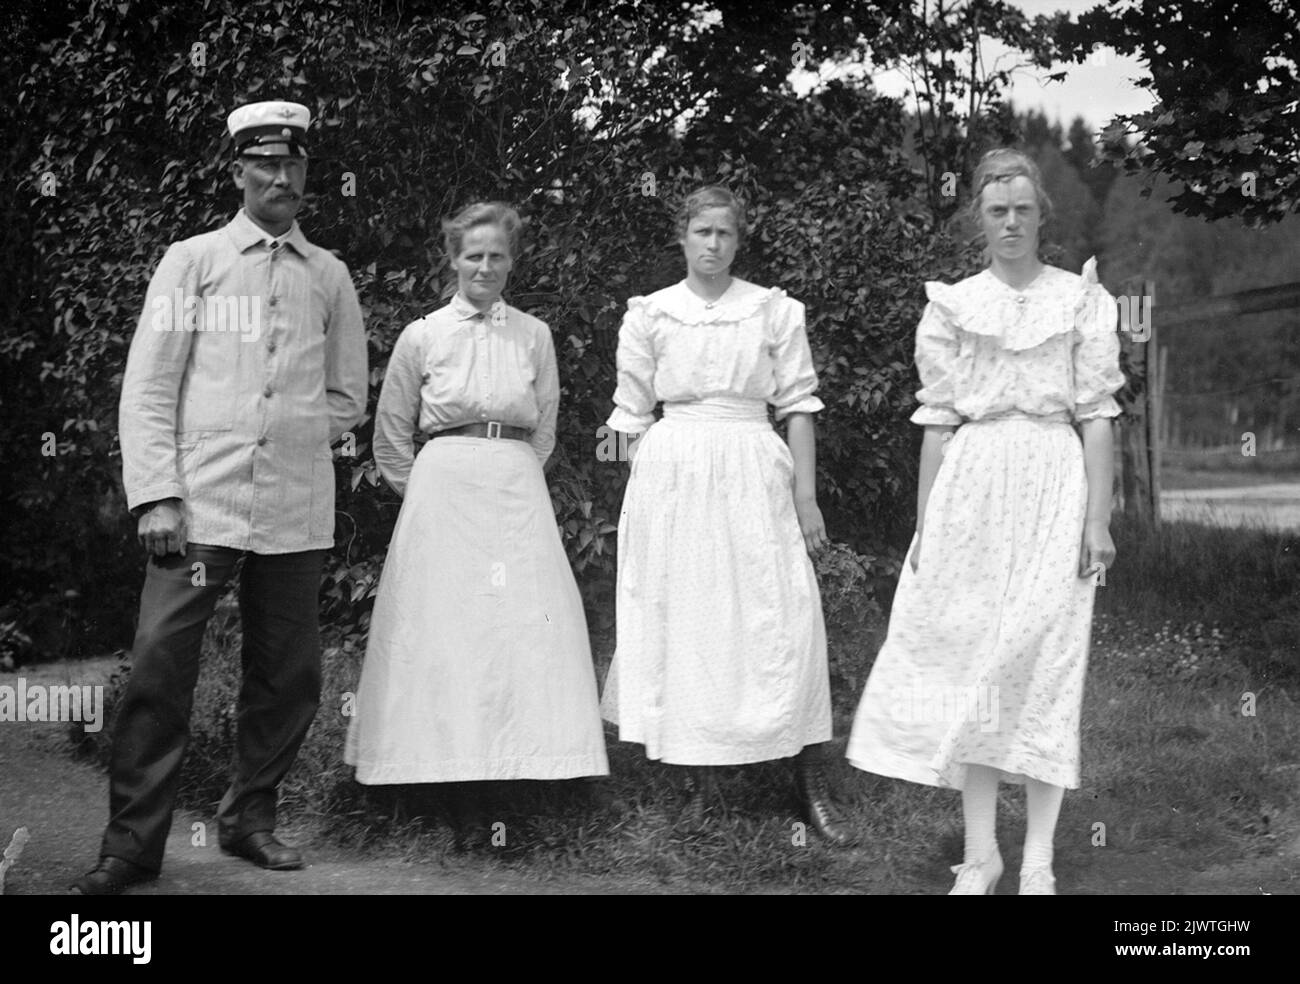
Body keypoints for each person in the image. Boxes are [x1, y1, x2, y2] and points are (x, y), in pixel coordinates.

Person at [73, 101, 369, 894]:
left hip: (293, 512)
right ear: (238, 172)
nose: (281, 178)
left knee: (289, 676)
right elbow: (149, 386)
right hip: (199, 509)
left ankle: (250, 820)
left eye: (294, 165)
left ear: (306, 172)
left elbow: (347, 396)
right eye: (265, 165)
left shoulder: (330, 276)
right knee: (161, 671)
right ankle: (132, 848)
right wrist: (157, 495)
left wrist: (292, 437)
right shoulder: (193, 261)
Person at [845, 148, 1125, 894]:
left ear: (1042, 217)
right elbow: (937, 426)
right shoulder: (954, 306)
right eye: (997, 211)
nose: (1011, 223)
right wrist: (926, 528)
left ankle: (1037, 856)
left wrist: (1097, 522)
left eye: (1023, 211)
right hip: (973, 487)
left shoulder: (1081, 299)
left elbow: (1098, 419)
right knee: (973, 671)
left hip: (1053, 482)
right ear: (980, 217)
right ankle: (981, 853)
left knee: (1045, 667)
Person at [343, 202, 608, 827]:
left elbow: (542, 430)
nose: (484, 266)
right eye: (473, 255)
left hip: (514, 493)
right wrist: (433, 497)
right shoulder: (423, 334)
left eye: (497, 256)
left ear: (511, 262)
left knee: (521, 628)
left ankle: (520, 779)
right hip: (443, 491)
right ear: (453, 258)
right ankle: (443, 787)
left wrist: (507, 477)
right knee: (445, 632)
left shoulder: (534, 335)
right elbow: (389, 439)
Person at [602, 185, 852, 845]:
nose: (712, 245)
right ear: (681, 237)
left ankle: (807, 778)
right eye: (701, 232)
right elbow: (629, 416)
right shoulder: (651, 315)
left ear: (739, 242)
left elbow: (798, 404)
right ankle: (681, 780)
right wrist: (648, 490)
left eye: (725, 235)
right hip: (674, 471)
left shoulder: (772, 311)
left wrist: (805, 498)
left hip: (753, 467)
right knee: (686, 617)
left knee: (785, 614)